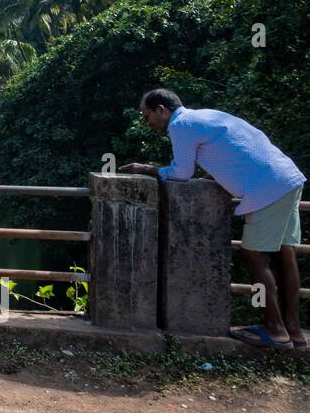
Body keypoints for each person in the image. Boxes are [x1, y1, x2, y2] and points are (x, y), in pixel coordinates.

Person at [120, 89, 306, 349]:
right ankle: (294, 331)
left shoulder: (181, 125)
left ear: (161, 109)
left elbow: (181, 173)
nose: (147, 122)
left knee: (254, 255)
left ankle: (275, 330)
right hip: (287, 177)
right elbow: (234, 153)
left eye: (146, 115)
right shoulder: (207, 117)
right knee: (285, 253)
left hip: (268, 187)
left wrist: (146, 169)